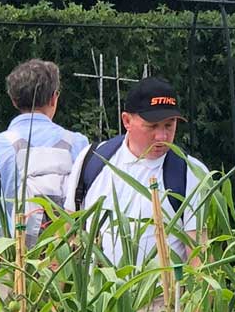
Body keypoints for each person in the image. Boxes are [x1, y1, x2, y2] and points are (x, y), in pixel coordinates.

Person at [64, 76, 207, 266]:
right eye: (152, 126)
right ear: (127, 121)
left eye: (169, 125)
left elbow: (199, 259)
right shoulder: (92, 159)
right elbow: (68, 231)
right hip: (96, 283)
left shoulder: (190, 173)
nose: (162, 136)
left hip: (163, 285)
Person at [0, 58, 88, 243]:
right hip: (65, 252)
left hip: (11, 252)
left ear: (14, 100)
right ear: (54, 98)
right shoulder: (79, 144)